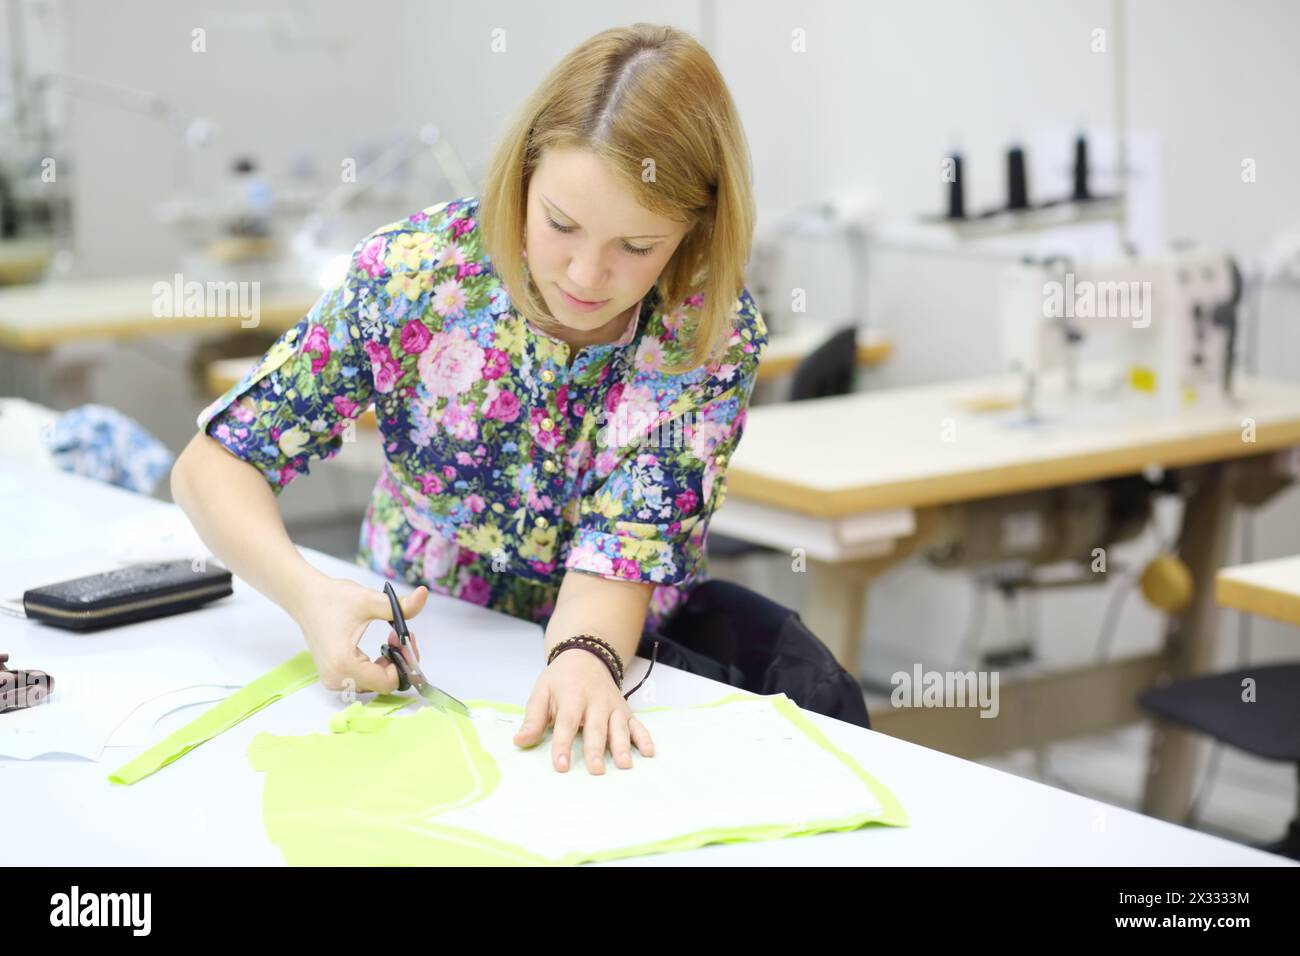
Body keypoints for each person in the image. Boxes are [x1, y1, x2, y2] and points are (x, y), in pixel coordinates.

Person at [171, 23, 768, 777]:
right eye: (560, 224)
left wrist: (583, 660)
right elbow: (214, 464)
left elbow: (621, 548)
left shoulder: (704, 329)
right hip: (418, 637)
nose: (587, 274)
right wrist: (308, 597)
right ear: (522, 172)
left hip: (614, 655)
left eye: (637, 246)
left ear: (696, 228)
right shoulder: (418, 276)